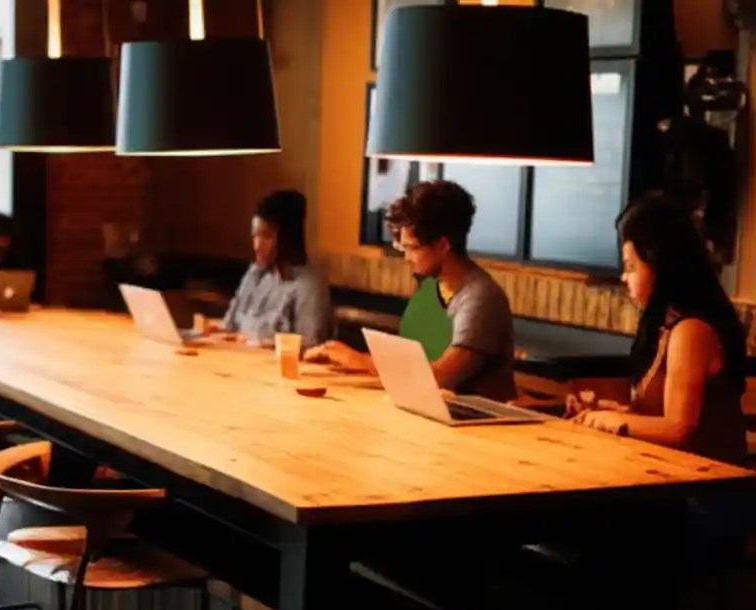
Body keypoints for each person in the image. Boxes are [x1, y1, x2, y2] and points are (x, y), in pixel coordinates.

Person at [568, 192, 746, 464]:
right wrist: (605, 411)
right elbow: (660, 417)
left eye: (631, 267)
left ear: (658, 264)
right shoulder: (668, 326)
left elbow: (679, 428)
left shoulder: (692, 330)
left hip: (708, 489)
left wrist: (615, 420)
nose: (624, 277)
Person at [304, 181, 518, 402]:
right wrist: (350, 361)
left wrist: (360, 360)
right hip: (434, 412)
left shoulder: (480, 297)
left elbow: (439, 377)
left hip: (481, 427)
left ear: (443, 246)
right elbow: (414, 366)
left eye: (413, 248)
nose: (407, 258)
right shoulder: (432, 289)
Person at [217, 189, 334, 348]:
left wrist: (261, 343)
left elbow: (311, 346)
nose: (257, 245)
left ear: (287, 238)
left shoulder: (309, 285)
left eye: (265, 236)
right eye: (255, 235)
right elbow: (229, 324)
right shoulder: (256, 274)